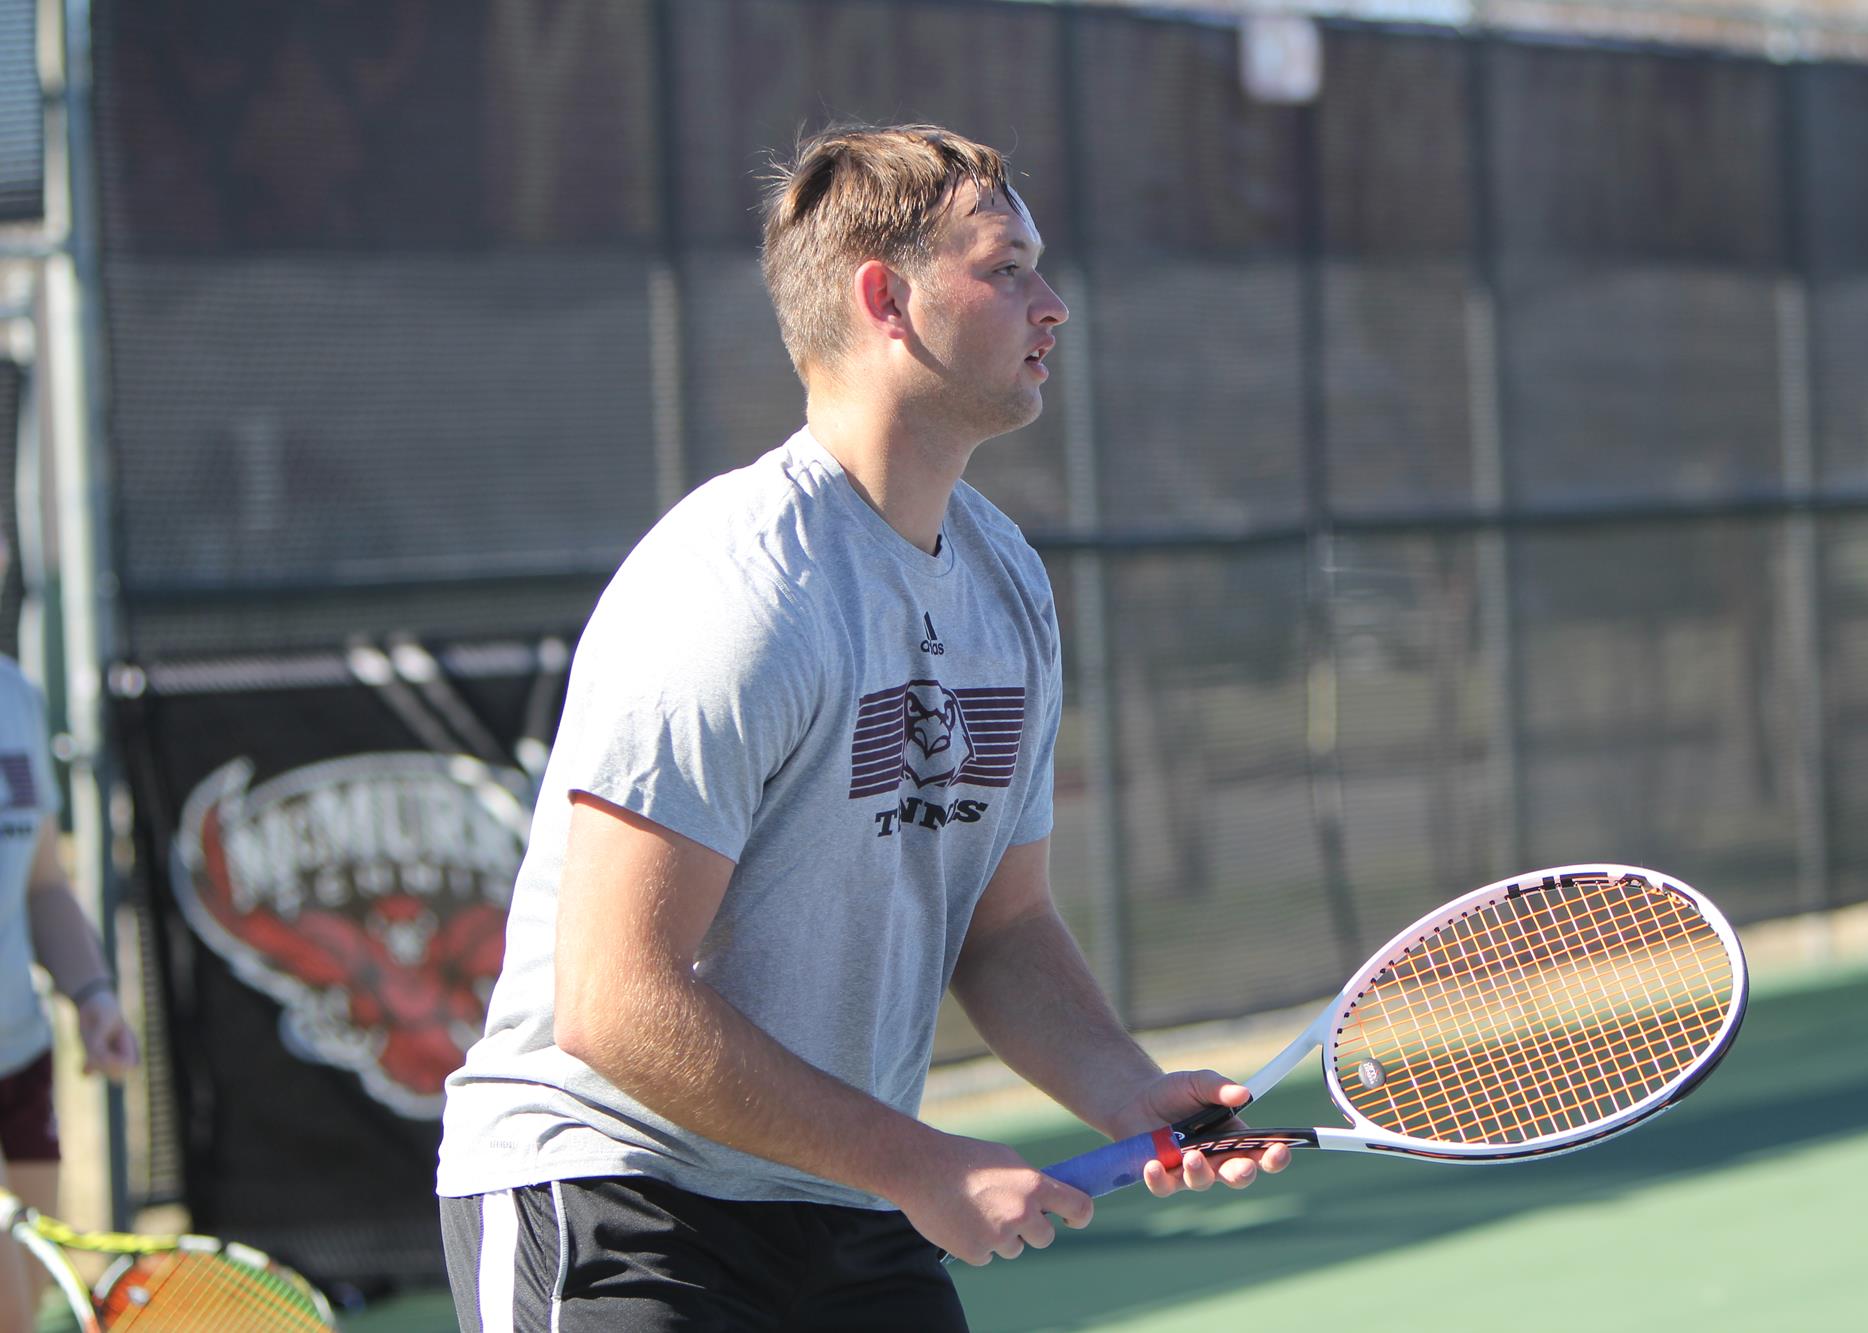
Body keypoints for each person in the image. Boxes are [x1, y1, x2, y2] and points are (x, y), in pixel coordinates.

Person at [436, 123, 1287, 1330]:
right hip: (617, 1201)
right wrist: (918, 1162)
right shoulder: (734, 589)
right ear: (885, 299)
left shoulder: (1004, 582)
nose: (1051, 306)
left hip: (840, 1206)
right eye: (1004, 269)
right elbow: (614, 998)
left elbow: (1002, 925)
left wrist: (1124, 1089)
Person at [0, 655, 139, 1333]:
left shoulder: (15, 693)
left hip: (20, 1058)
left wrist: (92, 993)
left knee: (22, 1305)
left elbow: (43, 880)